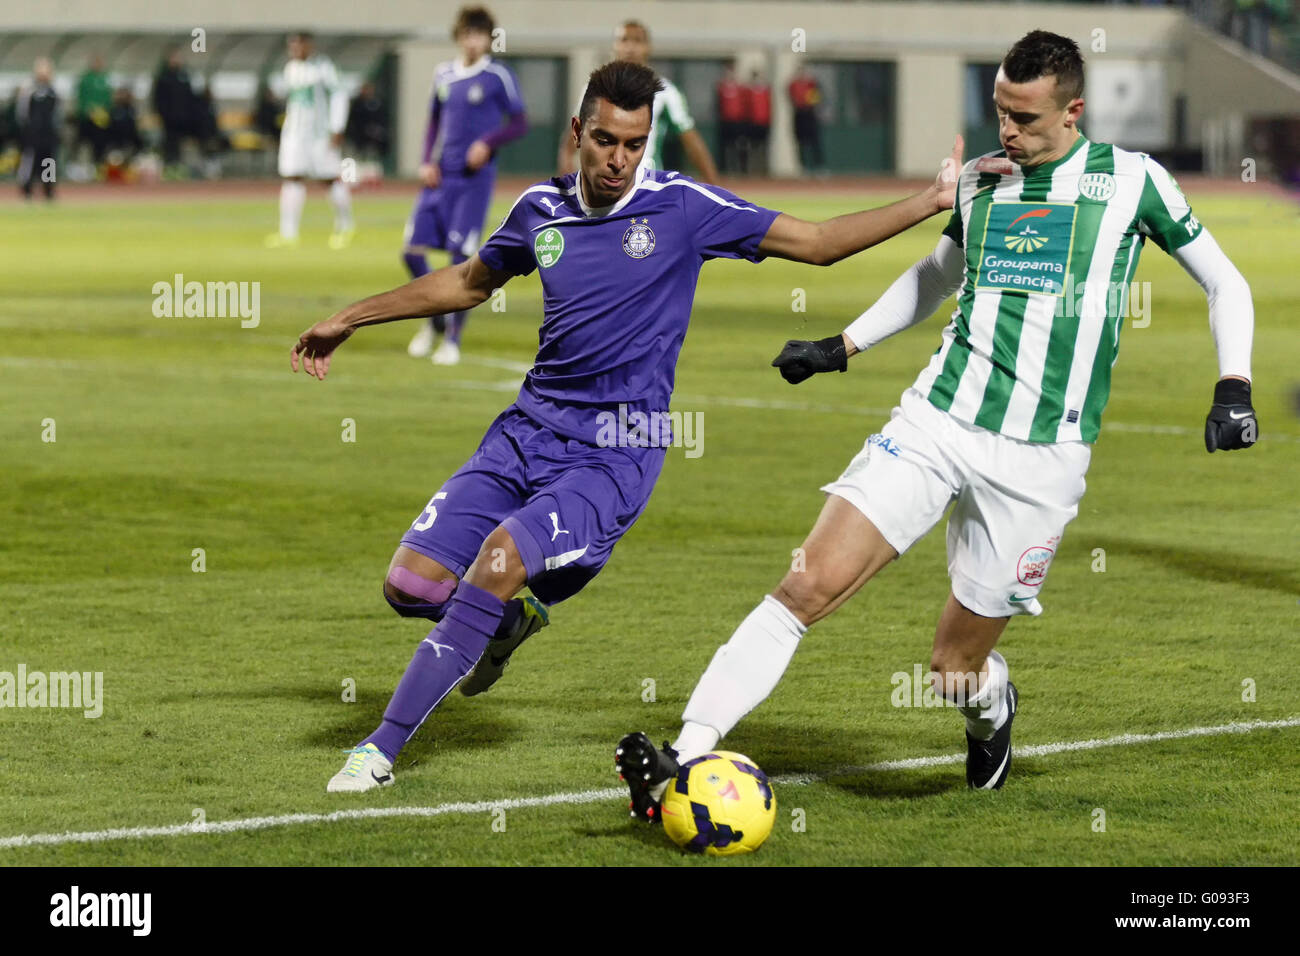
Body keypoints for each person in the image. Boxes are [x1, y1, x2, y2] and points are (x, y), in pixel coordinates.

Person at [616, 30, 1258, 817]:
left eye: (1024, 118)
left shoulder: (1133, 183)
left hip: (1041, 457)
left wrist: (1234, 386)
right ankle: (684, 752)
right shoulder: (985, 182)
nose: (1007, 133)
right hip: (937, 419)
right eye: (998, 112)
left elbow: (1227, 283)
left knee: (951, 668)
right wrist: (842, 343)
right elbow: (937, 276)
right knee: (806, 583)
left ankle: (991, 706)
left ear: (1074, 111)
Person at [288, 60, 962, 793]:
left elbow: (820, 242)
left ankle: (379, 750)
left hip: (613, 455)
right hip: (523, 432)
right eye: (606, 140)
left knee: (499, 561)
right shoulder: (539, 211)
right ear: (578, 132)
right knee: (409, 585)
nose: (619, 160)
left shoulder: (681, 207)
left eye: (635, 144)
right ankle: (501, 625)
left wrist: (930, 200)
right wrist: (351, 316)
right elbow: (468, 281)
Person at [404, 6, 528, 367]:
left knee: (460, 258)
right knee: (411, 252)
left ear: (489, 39)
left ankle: (452, 340)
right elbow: (433, 121)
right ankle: (435, 319)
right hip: (441, 176)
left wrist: (488, 142)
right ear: (458, 36)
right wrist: (427, 160)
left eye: (480, 35)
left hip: (474, 182)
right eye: (467, 34)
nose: (473, 41)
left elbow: (520, 123)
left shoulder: (497, 76)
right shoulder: (443, 74)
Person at [556, 20, 719, 183]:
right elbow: (570, 142)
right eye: (624, 40)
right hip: (604, 186)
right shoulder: (593, 88)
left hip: (646, 187)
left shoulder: (666, 92)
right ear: (614, 45)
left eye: (637, 40)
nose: (630, 47)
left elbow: (691, 142)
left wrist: (714, 187)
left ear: (648, 47)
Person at [265, 32, 353, 250]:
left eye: (299, 45)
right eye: (291, 46)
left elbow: (340, 95)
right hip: (294, 135)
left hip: (319, 135)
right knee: (292, 178)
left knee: (329, 179)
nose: (295, 49)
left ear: (309, 46)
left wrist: (337, 127)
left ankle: (345, 225)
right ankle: (288, 233)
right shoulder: (290, 70)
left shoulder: (323, 68)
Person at [16, 57, 61, 202]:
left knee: (49, 161)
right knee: (30, 160)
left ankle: (48, 190)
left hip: (48, 133)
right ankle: (27, 189)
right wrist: (28, 128)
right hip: (33, 133)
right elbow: (22, 113)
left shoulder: (53, 91)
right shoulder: (29, 90)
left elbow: (57, 113)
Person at [152, 49, 197, 169]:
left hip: (183, 116)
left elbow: (191, 96)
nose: (176, 60)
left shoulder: (185, 76)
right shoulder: (163, 77)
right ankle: (169, 165)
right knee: (169, 141)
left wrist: (190, 113)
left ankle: (178, 165)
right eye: (174, 57)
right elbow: (157, 97)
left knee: (180, 142)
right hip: (168, 117)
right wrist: (162, 112)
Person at [76, 54, 112, 166]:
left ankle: (99, 165)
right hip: (87, 118)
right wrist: (86, 111)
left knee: (100, 143)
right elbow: (81, 98)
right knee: (84, 143)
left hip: (101, 119)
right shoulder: (85, 79)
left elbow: (109, 99)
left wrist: (106, 111)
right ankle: (83, 165)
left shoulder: (105, 79)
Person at [788, 64, 825, 174]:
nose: (802, 75)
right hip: (799, 114)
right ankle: (803, 167)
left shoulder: (811, 84)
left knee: (815, 141)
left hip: (810, 113)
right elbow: (791, 97)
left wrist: (813, 106)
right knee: (801, 142)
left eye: (803, 72)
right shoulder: (793, 84)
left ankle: (819, 166)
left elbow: (817, 97)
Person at [716, 63, 746, 174]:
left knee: (738, 146)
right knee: (726, 146)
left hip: (738, 122)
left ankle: (739, 169)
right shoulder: (721, 87)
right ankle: (728, 168)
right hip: (725, 121)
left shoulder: (740, 88)